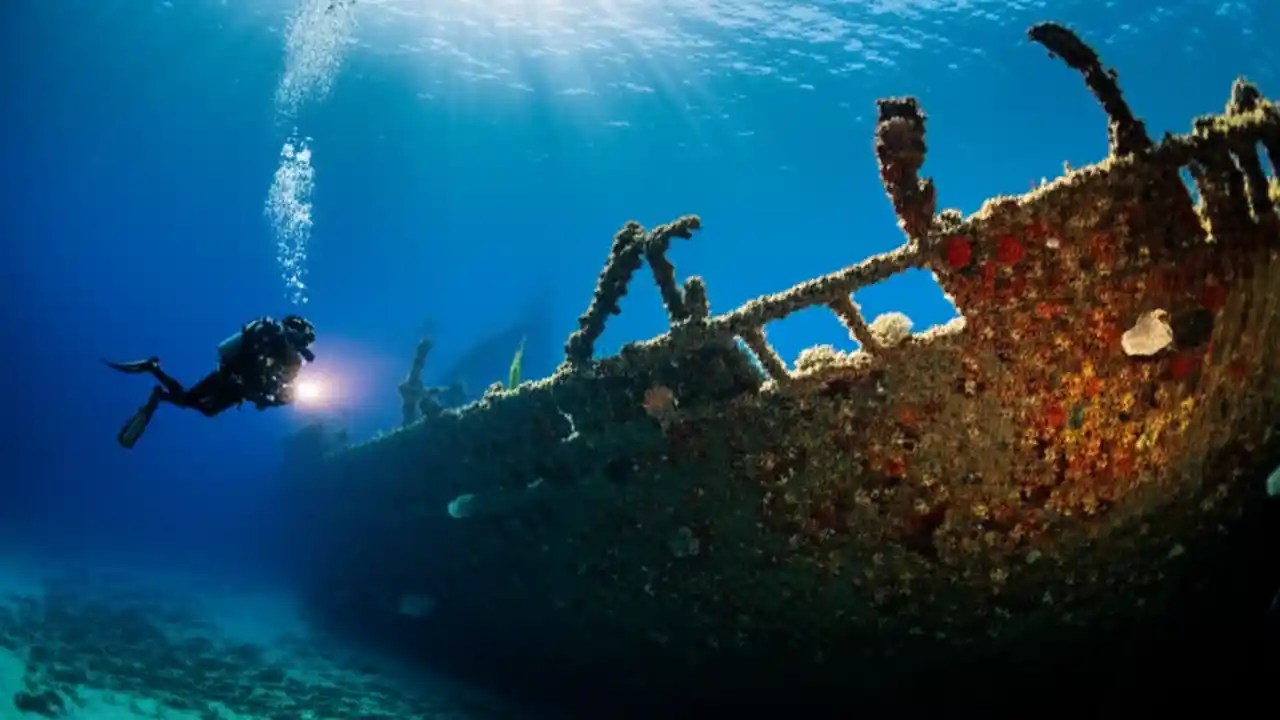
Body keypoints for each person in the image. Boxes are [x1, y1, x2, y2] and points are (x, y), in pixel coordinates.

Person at [103, 315, 317, 448]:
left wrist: (277, 397)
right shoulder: (272, 334)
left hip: (236, 390)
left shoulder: (288, 359)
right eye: (304, 339)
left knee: (197, 406)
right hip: (228, 378)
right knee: (189, 401)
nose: (304, 346)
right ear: (295, 330)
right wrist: (265, 392)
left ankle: (155, 374)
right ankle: (153, 372)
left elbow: (272, 386)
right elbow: (255, 366)